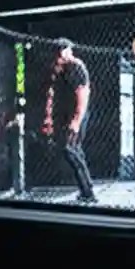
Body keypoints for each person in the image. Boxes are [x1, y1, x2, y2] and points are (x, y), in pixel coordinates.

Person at [41, 38, 96, 203]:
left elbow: (82, 95)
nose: (60, 55)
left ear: (68, 51)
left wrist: (76, 121)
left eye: (63, 51)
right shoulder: (59, 69)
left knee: (70, 148)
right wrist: (49, 118)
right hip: (65, 114)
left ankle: (88, 192)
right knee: (73, 149)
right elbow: (51, 93)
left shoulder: (76, 67)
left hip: (77, 113)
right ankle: (86, 189)